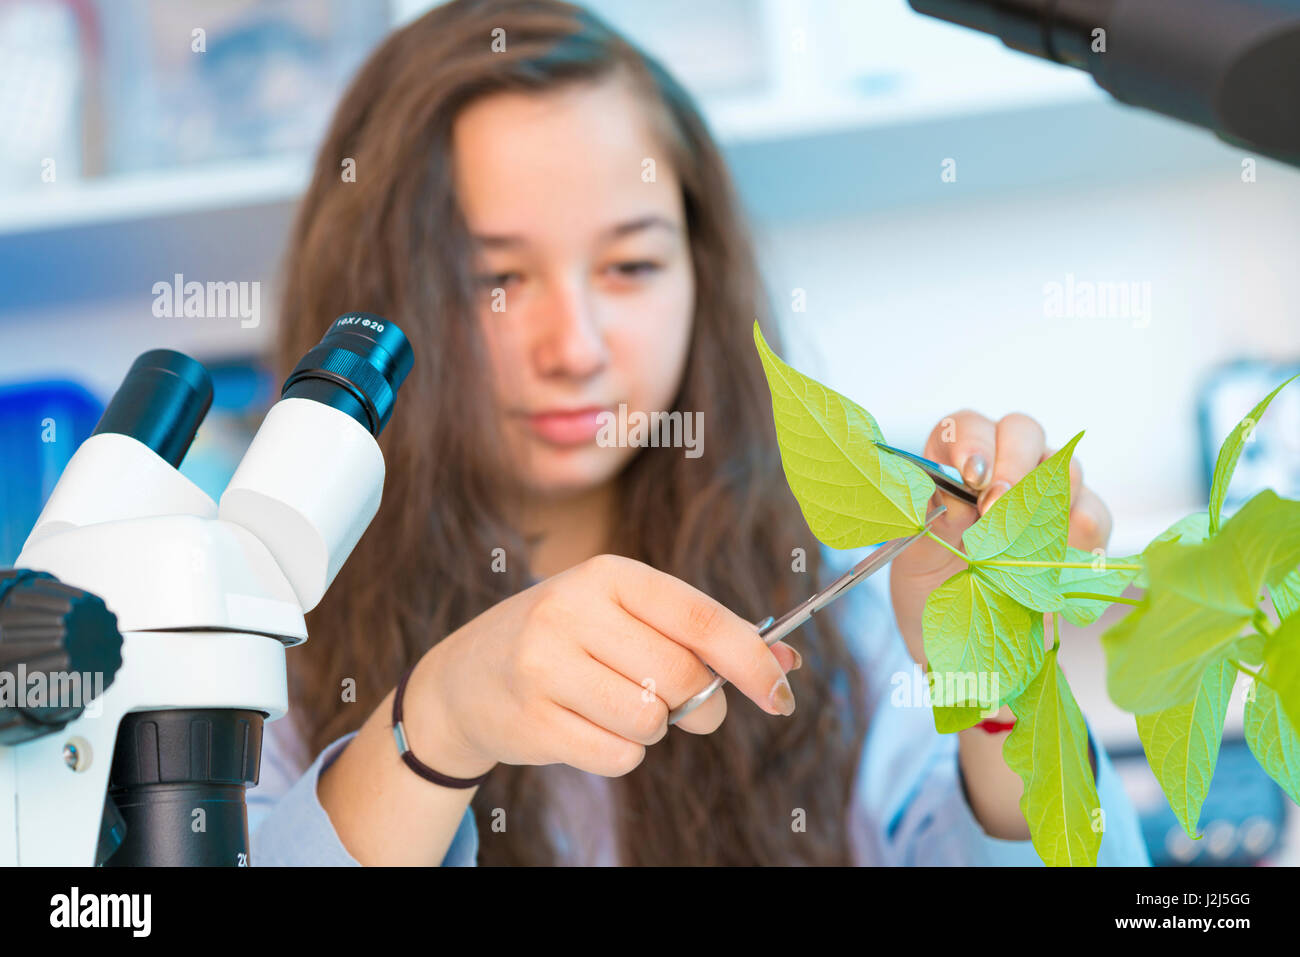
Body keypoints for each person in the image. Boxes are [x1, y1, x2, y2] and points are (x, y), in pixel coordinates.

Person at [247, 0, 1150, 866]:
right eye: (498, 279)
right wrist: (438, 717)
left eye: (631, 264)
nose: (576, 347)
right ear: (377, 294)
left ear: (700, 270)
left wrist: (987, 673)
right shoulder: (249, 637)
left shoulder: (845, 612)